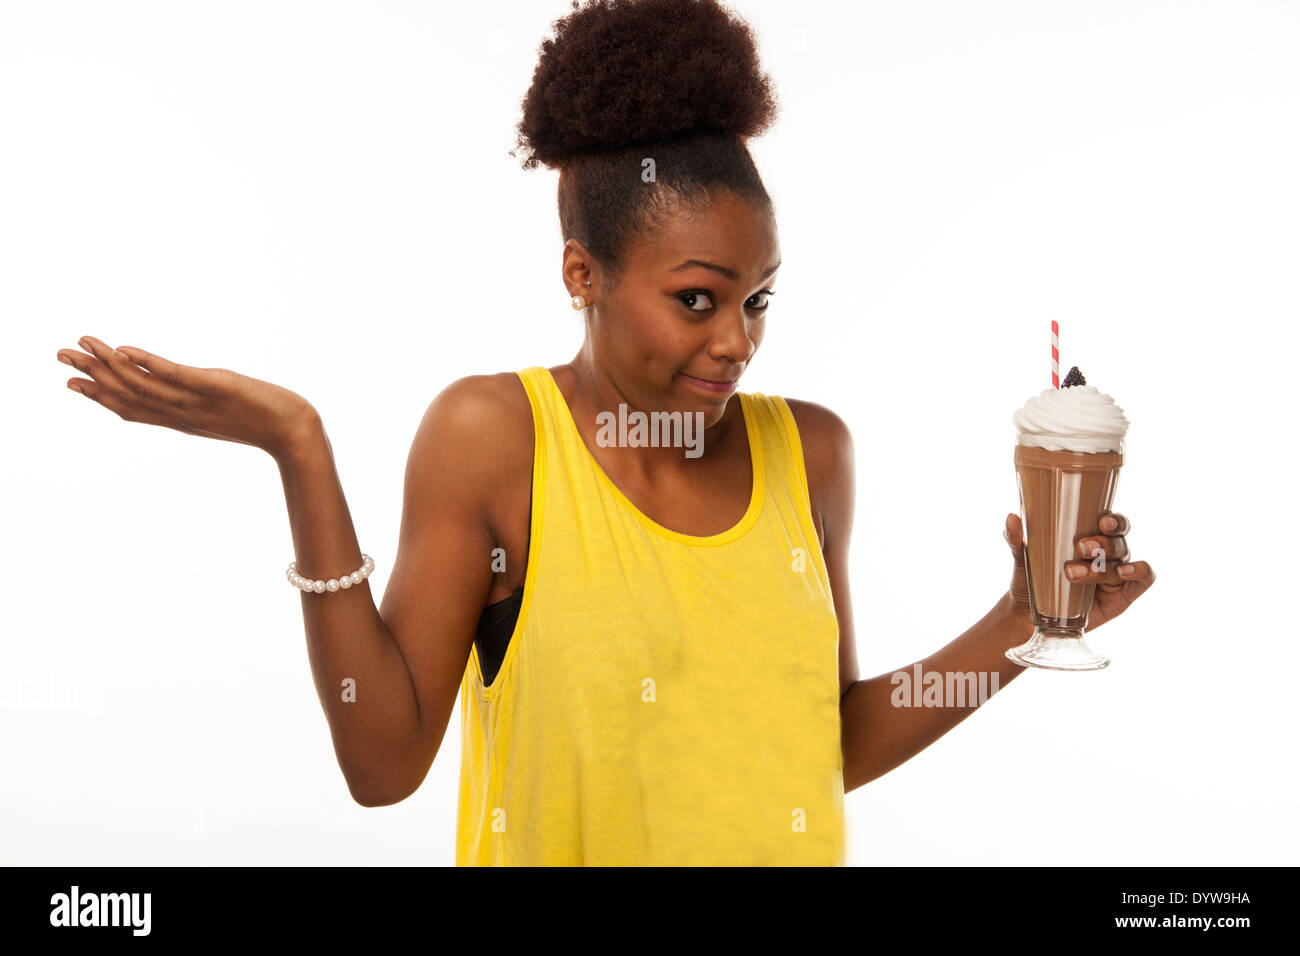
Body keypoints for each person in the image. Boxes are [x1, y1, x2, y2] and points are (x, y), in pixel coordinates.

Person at [55, 0, 1155, 866]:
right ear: (583, 273)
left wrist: (1022, 621)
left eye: (758, 299)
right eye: (697, 297)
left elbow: (824, 740)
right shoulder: (494, 438)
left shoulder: (812, 453)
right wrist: (298, 446)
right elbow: (381, 762)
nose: (737, 340)